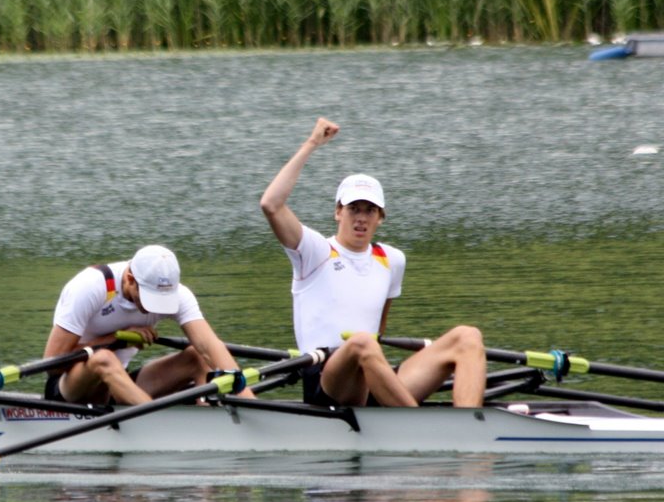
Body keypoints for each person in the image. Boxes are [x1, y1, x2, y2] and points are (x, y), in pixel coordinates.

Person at [259, 116, 485, 408]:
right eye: (354, 208)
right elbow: (271, 204)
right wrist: (312, 143)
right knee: (362, 342)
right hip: (328, 381)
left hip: (372, 375)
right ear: (338, 213)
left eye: (370, 210)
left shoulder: (392, 260)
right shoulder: (315, 252)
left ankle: (472, 424)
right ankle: (417, 423)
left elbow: (380, 328)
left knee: (467, 336)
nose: (361, 217)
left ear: (381, 217)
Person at [43, 244, 255, 405]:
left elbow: (211, 347)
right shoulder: (91, 286)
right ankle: (157, 424)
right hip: (71, 386)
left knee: (197, 356)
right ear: (130, 279)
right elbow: (52, 363)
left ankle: (211, 418)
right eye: (150, 297)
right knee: (104, 359)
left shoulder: (179, 294)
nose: (155, 307)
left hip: (120, 383)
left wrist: (249, 401)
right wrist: (115, 339)